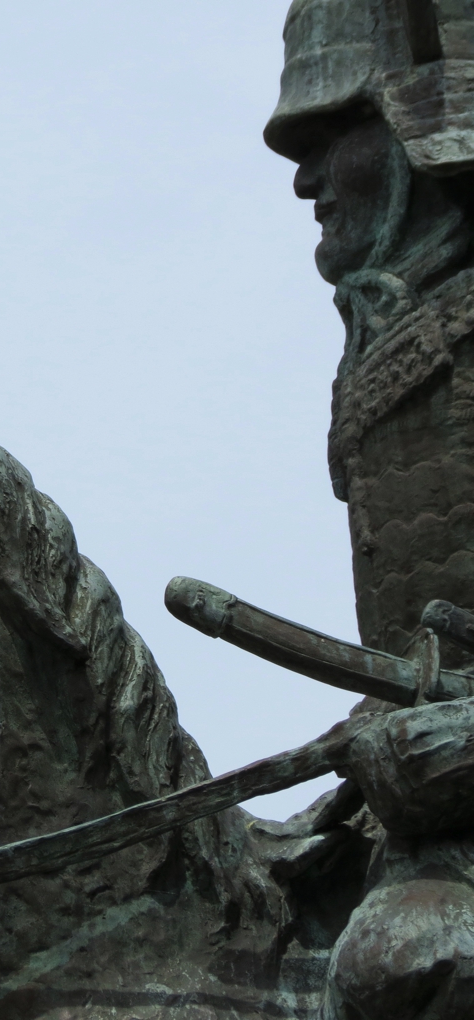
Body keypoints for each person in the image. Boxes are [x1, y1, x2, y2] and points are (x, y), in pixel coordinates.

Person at [265, 1, 474, 1015]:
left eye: (328, 133)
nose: (299, 176)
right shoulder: (385, 353)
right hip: (421, 829)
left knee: (398, 966)